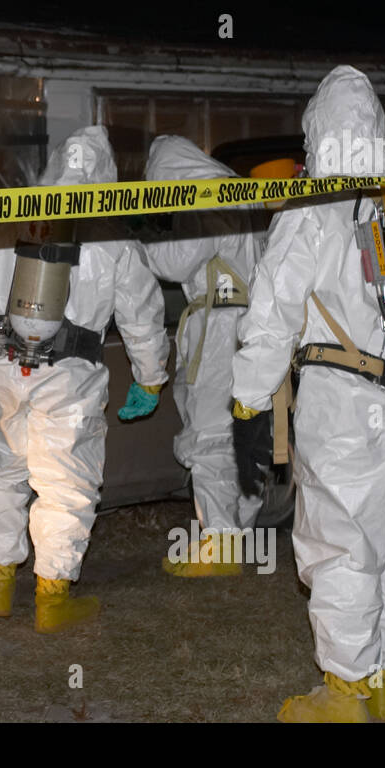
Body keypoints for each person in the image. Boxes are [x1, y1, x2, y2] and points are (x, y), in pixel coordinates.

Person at [230, 66, 385, 721]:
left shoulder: (312, 207)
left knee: (344, 544)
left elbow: (272, 310)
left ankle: (346, 693)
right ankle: (380, 676)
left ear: (317, 132)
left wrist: (248, 400)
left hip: (347, 403)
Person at [0, 126, 169, 633]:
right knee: (66, 481)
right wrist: (150, 378)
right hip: (68, 372)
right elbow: (142, 314)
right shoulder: (111, 233)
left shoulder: (8, 213)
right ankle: (53, 600)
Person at [141, 135, 262, 576]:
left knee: (210, 434)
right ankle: (239, 536)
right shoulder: (241, 193)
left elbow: (175, 263)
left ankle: (221, 547)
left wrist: (136, 245)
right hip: (250, 327)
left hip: (218, 330)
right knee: (244, 437)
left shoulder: (204, 198)